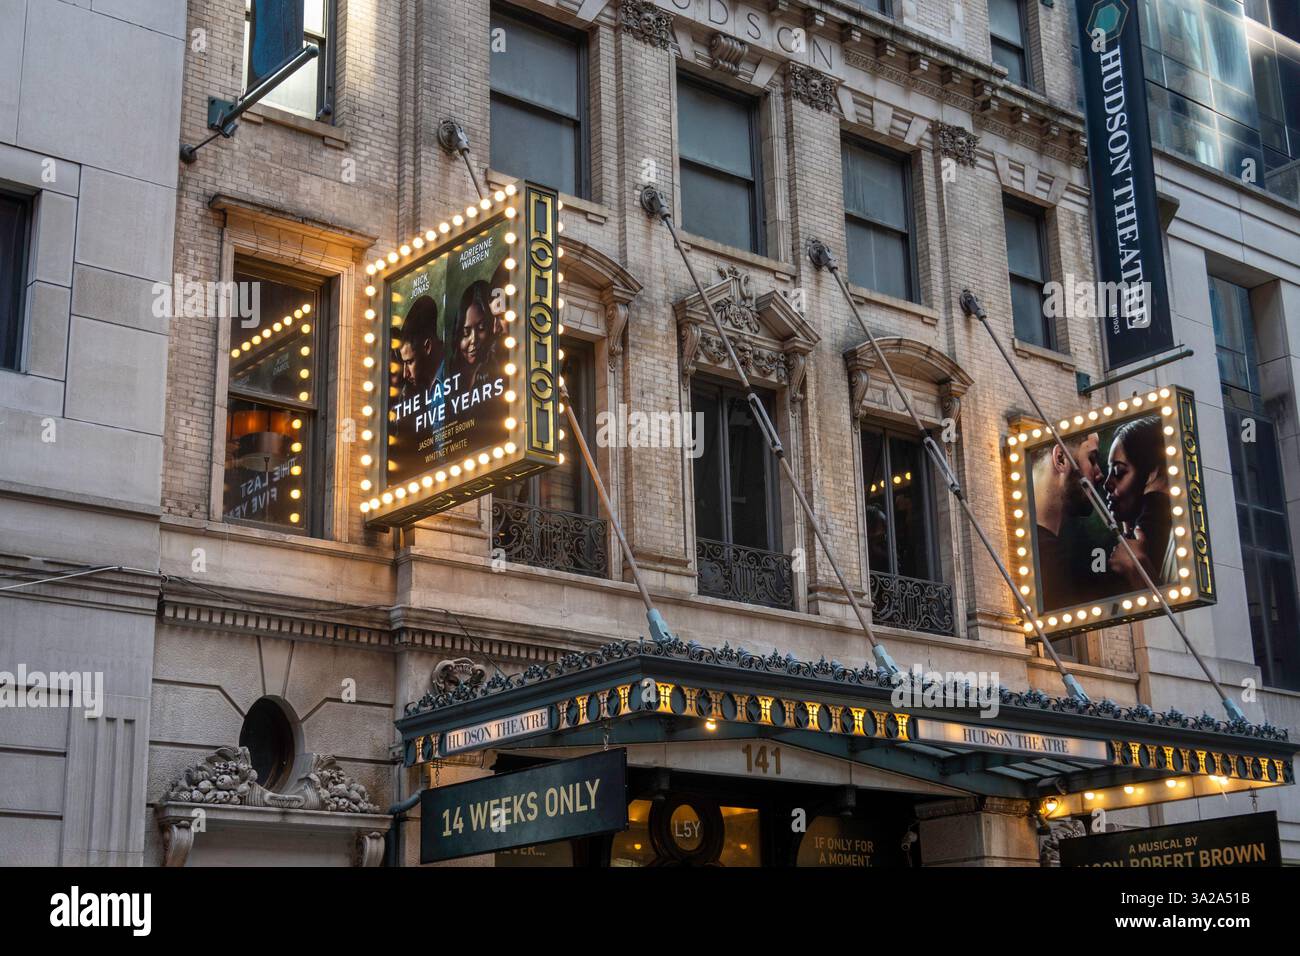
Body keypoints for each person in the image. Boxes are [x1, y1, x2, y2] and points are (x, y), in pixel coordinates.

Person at [1030, 431, 1109, 609]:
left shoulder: (1055, 554)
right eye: (1092, 459)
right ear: (1061, 458)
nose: (1099, 474)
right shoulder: (1055, 564)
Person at [1104, 416, 1174, 590]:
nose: (1107, 484)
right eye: (1109, 472)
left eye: (1118, 472)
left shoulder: (1158, 525)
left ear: (1153, 474)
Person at [450, 279, 499, 391]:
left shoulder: (499, 371)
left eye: (481, 328)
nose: (474, 339)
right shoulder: (451, 383)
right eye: (466, 333)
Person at [396, 295, 439, 399]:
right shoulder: (411, 391)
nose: (405, 374)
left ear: (427, 347)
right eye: (404, 363)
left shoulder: (451, 374)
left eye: (410, 362)